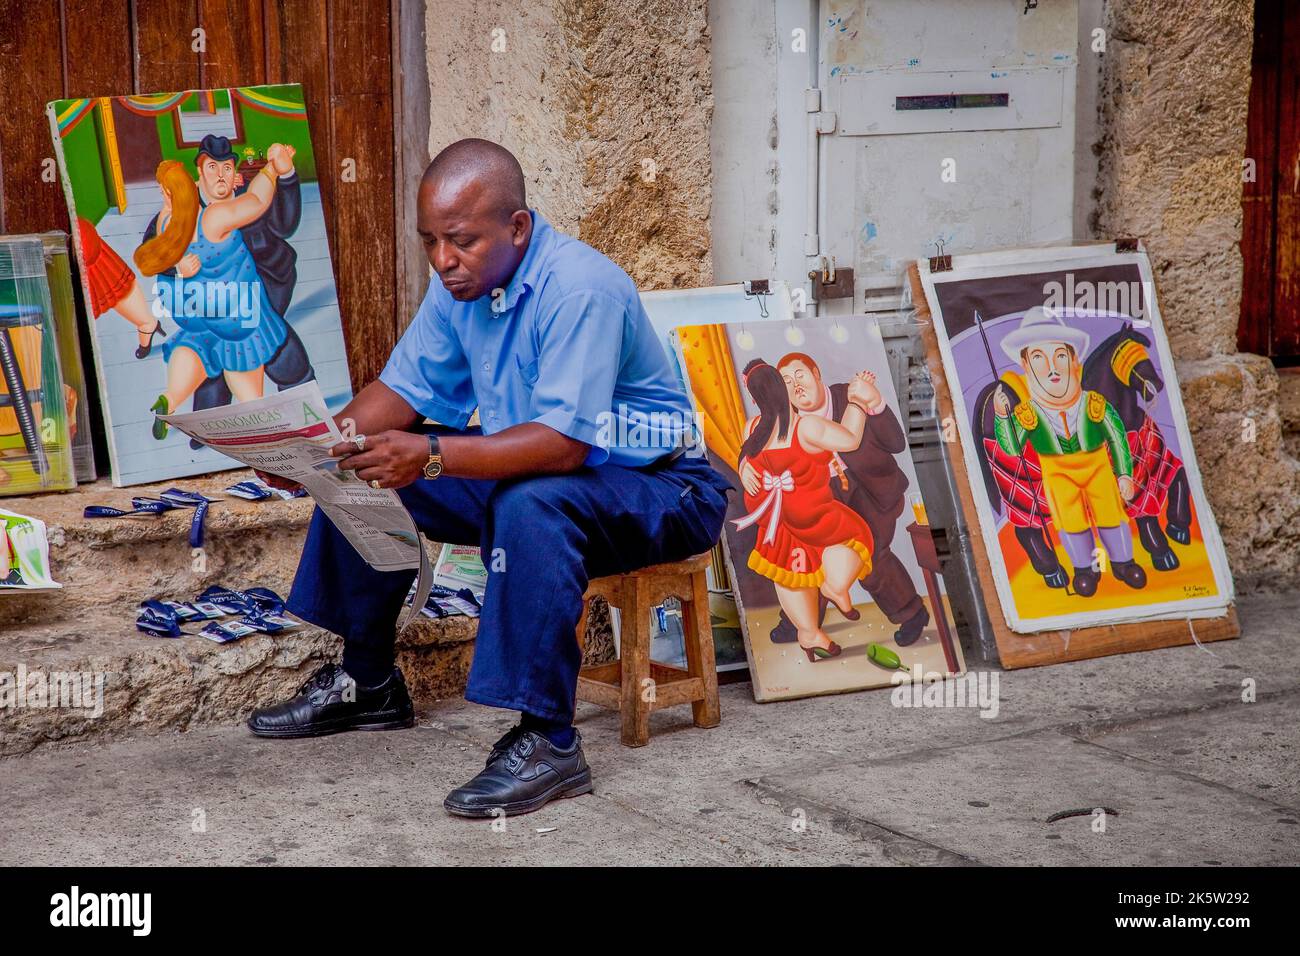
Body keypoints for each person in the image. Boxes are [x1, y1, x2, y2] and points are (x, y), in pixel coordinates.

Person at [246, 139, 731, 819]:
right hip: (550, 471)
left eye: (462, 240)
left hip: (662, 487)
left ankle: (550, 742)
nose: (443, 259)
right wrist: (311, 451)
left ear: (518, 227)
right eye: (431, 241)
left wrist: (431, 454)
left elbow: (563, 446)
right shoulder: (461, 288)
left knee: (532, 504)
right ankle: (368, 682)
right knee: (367, 468)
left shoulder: (581, 290)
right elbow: (402, 390)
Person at [744, 352, 930, 647]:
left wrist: (874, 403)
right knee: (809, 555)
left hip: (869, 488)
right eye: (787, 381)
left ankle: (911, 613)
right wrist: (744, 466)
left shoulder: (849, 394)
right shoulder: (785, 418)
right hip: (820, 493)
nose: (796, 385)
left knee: (872, 554)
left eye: (800, 375)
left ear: (816, 373)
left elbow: (895, 443)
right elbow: (753, 447)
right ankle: (800, 622)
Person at [142, 134, 315, 446]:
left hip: (201, 311)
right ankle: (263, 430)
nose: (220, 175)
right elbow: (258, 200)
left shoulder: (166, 222)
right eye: (212, 167)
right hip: (240, 311)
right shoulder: (215, 217)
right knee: (250, 358)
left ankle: (172, 400)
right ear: (197, 176)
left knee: (198, 349)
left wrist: (177, 269)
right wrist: (272, 170)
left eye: (226, 167)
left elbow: (149, 258)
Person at [992, 307, 1145, 596]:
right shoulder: (1028, 413)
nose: (1051, 368)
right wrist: (1002, 417)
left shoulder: (1094, 403)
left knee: (1111, 513)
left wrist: (1124, 473)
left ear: (1074, 361)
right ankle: (1086, 569)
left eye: (1060, 356)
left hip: (1097, 466)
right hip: (1057, 472)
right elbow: (1011, 448)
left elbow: (1116, 437)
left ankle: (1123, 563)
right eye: (1039, 357)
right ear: (1025, 364)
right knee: (1071, 520)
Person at [733, 360, 875, 661]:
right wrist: (857, 402)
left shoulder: (753, 427)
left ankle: (809, 633)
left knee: (788, 575)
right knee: (855, 537)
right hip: (811, 515)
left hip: (775, 522)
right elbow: (851, 439)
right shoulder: (805, 427)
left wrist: (743, 465)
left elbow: (747, 452)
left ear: (755, 399)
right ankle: (834, 588)